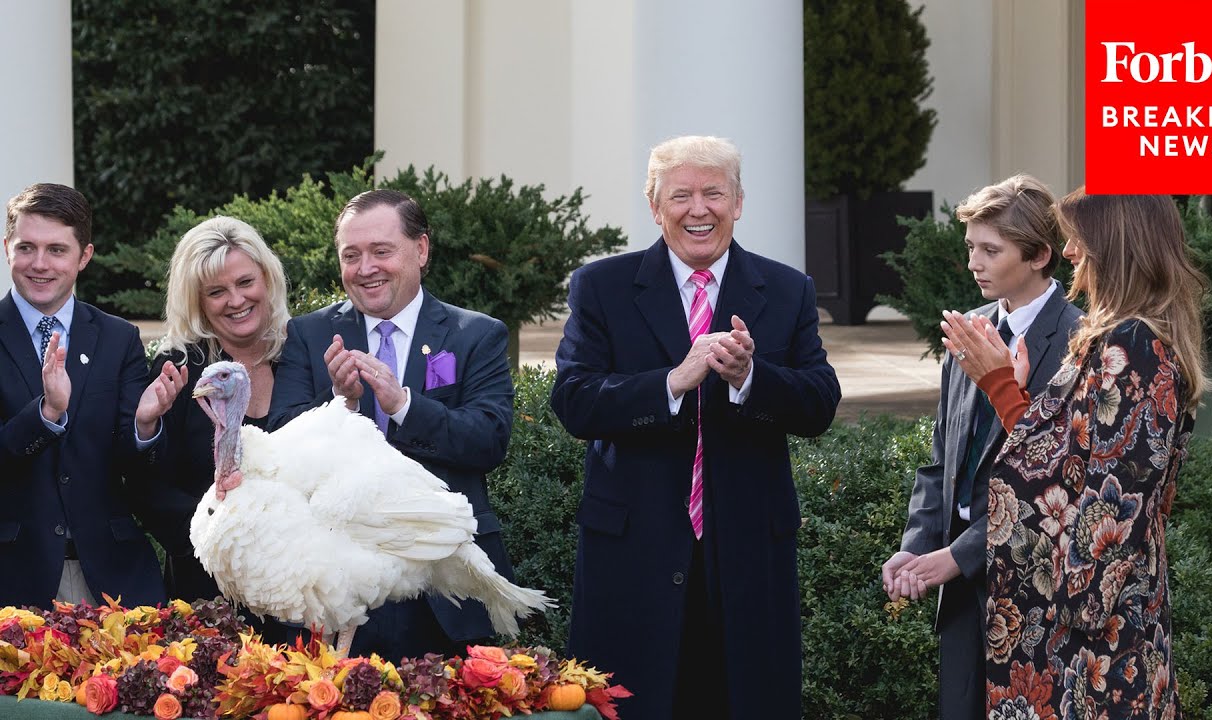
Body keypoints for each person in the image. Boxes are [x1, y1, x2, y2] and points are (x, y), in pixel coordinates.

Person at [551, 135, 841, 719]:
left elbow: (819, 404)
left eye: (714, 192)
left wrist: (751, 378)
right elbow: (575, 401)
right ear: (655, 208)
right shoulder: (602, 287)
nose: (698, 209)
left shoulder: (786, 289)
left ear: (739, 202)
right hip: (633, 552)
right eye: (680, 195)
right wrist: (671, 381)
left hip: (748, 553)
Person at [940, 191, 1210, 718]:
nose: (1067, 251)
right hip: (1081, 626)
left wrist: (1060, 619)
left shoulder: (1134, 346)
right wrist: (1008, 393)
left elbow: (1110, 503)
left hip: (1095, 642)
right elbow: (1065, 465)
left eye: (1077, 237)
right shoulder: (1117, 337)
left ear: (1114, 246)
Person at [268, 188, 516, 662]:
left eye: (382, 251)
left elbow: (488, 439)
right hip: (339, 585)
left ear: (420, 250)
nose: (366, 269)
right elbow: (280, 441)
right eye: (351, 255)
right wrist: (340, 403)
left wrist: (403, 405)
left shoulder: (476, 334)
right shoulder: (308, 334)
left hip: (442, 582)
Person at [881, 174, 1083, 719]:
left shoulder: (1080, 342)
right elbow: (942, 460)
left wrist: (958, 556)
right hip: (957, 578)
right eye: (971, 246)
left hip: (1034, 577)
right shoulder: (969, 329)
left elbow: (1054, 479)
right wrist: (918, 546)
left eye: (991, 250)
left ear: (1041, 254)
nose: (975, 261)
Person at [0, 182, 164, 608]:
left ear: (84, 256)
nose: (39, 264)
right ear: (6, 248)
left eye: (56, 249)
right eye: (26, 248)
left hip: (114, 580)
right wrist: (48, 412)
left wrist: (144, 424)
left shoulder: (118, 337)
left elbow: (133, 465)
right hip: (14, 581)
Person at [131, 216, 290, 604]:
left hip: (298, 586)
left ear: (267, 279)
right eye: (216, 291)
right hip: (207, 591)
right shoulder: (180, 367)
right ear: (197, 302)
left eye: (245, 282)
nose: (236, 300)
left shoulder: (301, 355)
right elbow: (148, 489)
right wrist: (229, 536)